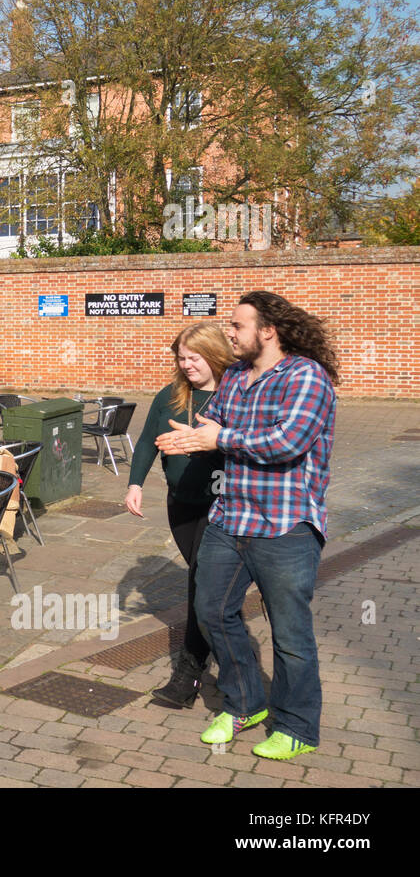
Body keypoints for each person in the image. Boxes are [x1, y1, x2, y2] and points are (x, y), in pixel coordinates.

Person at [158, 291, 337, 761]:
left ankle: (297, 726)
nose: (229, 334)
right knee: (211, 612)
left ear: (268, 330)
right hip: (229, 518)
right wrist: (191, 439)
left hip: (286, 527)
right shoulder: (235, 376)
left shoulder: (307, 377)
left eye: (237, 326)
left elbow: (286, 442)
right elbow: (211, 423)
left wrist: (219, 437)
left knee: (290, 634)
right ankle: (245, 704)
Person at [125, 322, 234, 708]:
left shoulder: (237, 394)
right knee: (207, 587)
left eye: (195, 357)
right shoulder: (171, 397)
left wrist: (205, 444)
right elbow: (144, 443)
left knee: (202, 586)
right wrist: (135, 484)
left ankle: (188, 676)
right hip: (182, 505)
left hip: (222, 505)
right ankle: (229, 660)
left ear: (216, 354)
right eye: (181, 358)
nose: (187, 365)